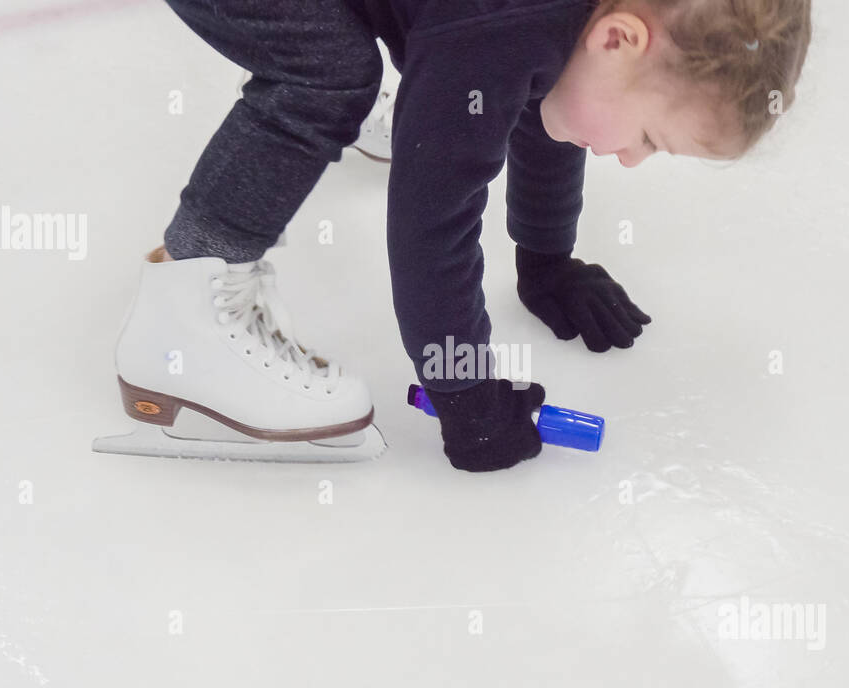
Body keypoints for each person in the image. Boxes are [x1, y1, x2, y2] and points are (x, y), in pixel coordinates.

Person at [107, 0, 812, 471]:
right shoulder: (502, 27)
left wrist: (546, 262)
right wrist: (466, 396)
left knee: (465, 79)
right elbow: (430, 222)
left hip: (480, 39)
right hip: (476, 36)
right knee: (330, 75)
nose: (632, 157)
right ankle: (181, 319)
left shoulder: (564, 29)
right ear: (618, 38)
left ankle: (434, 103)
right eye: (652, 137)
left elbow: (547, 95)